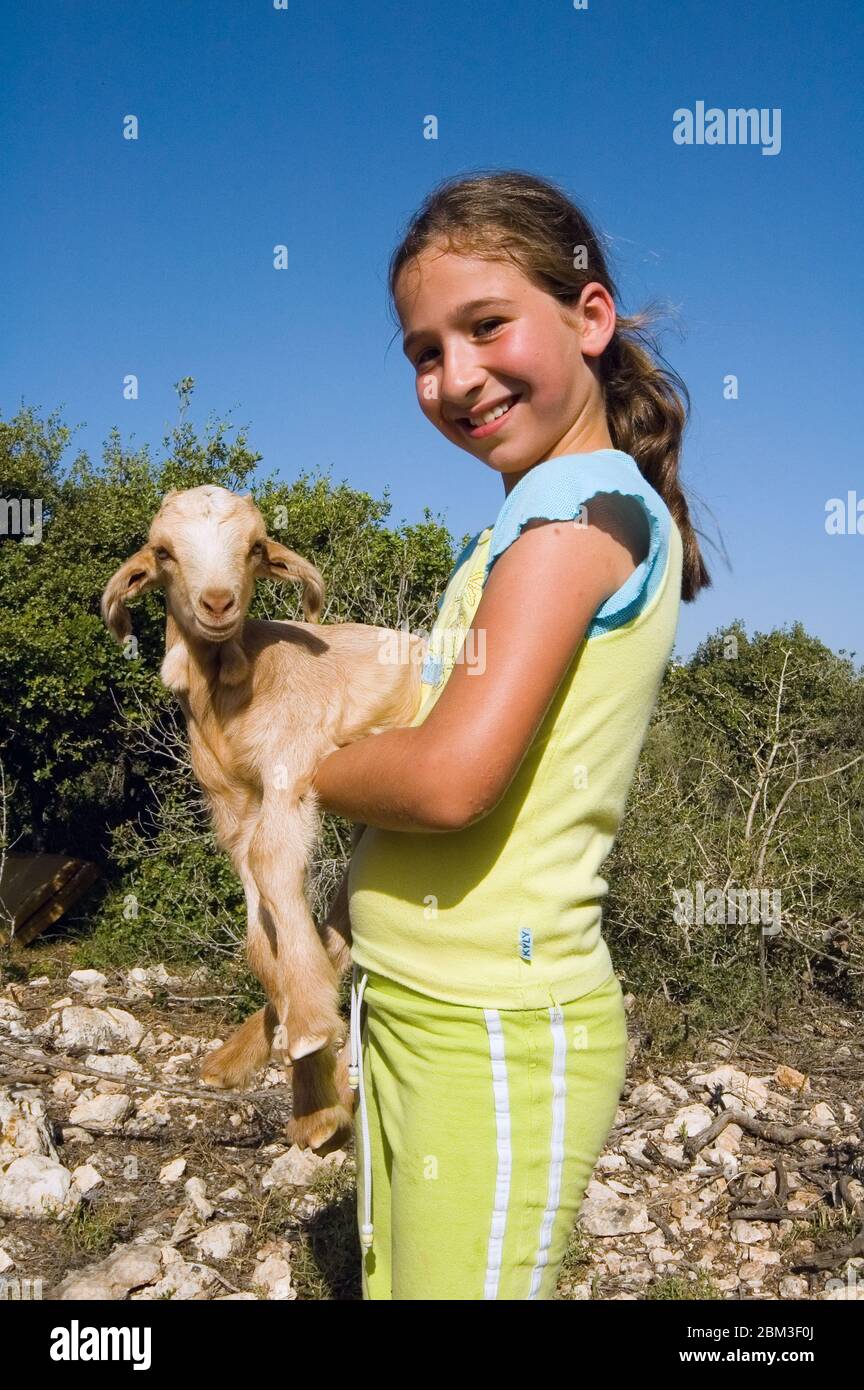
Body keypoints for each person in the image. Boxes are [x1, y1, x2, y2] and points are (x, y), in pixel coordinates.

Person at [310, 169, 711, 1300]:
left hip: (491, 1028)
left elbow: (446, 779)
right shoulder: (536, 516)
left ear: (590, 318)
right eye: (424, 352)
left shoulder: (582, 516)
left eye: (487, 326)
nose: (457, 375)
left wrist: (279, 765)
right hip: (418, 1003)